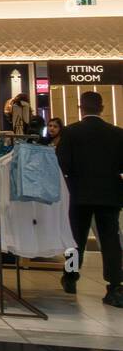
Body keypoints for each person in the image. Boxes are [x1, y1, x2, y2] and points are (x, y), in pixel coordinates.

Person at [56, 92, 123, 306]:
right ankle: (114, 284)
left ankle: (71, 276)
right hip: (109, 195)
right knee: (111, 241)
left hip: (78, 194)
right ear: (101, 108)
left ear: (80, 108)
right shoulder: (117, 134)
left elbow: (62, 163)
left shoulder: (71, 133)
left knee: (75, 240)